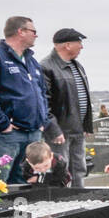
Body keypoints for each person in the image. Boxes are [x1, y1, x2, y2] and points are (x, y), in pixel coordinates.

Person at [0, 16, 50, 184]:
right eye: (33, 31)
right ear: (20, 32)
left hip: (33, 133)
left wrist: (42, 121)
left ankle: (23, 212)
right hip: (7, 135)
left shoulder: (32, 62)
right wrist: (2, 124)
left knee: (26, 183)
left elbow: (42, 93)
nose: (36, 35)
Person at [40, 28, 94, 189]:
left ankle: (80, 200)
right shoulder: (46, 67)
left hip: (77, 129)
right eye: (79, 42)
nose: (81, 47)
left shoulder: (77, 66)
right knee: (60, 171)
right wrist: (54, 129)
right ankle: (61, 204)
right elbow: (44, 102)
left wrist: (86, 125)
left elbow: (83, 97)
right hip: (60, 132)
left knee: (79, 169)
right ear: (67, 45)